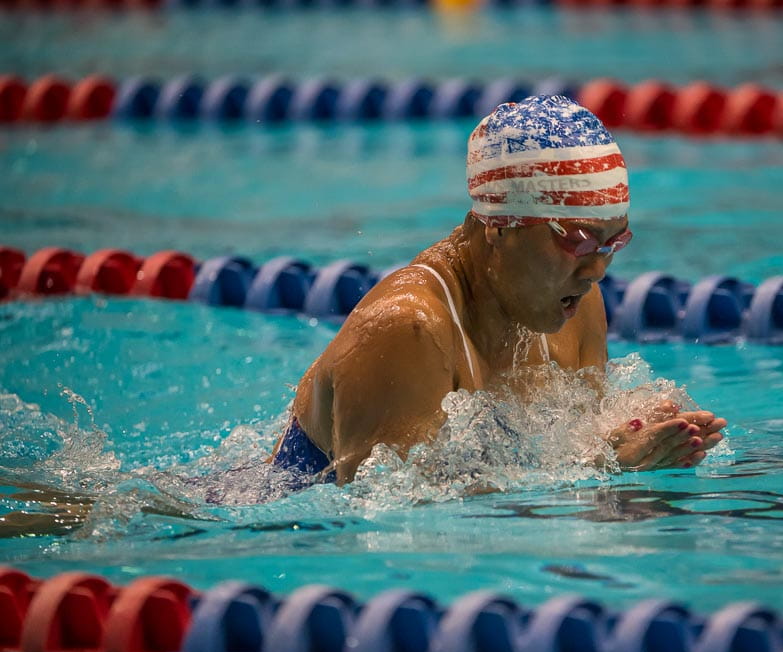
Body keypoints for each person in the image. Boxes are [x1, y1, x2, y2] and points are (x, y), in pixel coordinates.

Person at [271, 95, 726, 486]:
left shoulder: (577, 304)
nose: (597, 270)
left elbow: (573, 446)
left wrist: (635, 439)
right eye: (579, 241)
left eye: (613, 243)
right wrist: (601, 464)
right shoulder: (408, 328)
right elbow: (392, 515)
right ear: (499, 226)